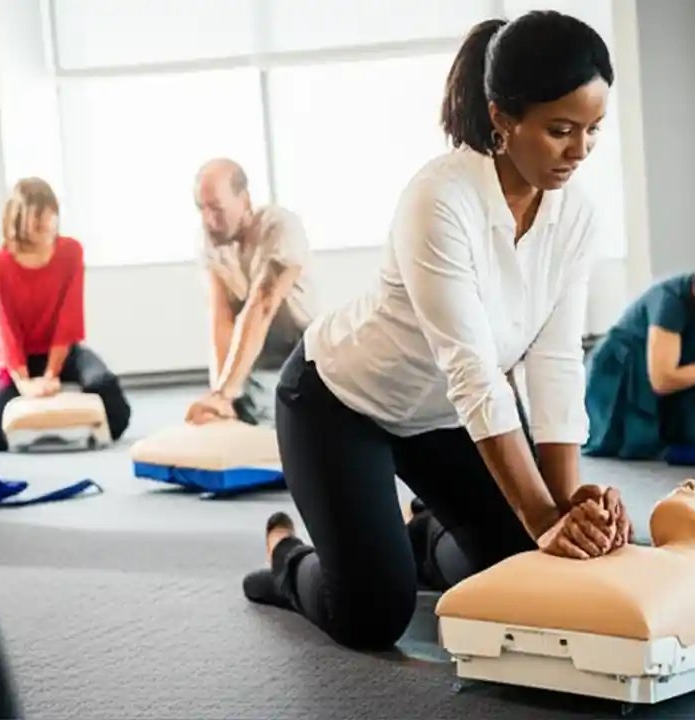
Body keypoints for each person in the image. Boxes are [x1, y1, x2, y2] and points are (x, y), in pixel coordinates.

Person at [240, 11, 632, 652]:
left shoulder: (576, 214)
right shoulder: (439, 197)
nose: (580, 151)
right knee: (371, 615)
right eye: (561, 130)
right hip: (341, 405)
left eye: (593, 130)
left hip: (446, 419)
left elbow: (557, 361)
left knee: (526, 572)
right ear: (504, 118)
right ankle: (289, 559)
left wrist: (568, 508)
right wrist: (540, 518)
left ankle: (420, 536)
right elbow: (473, 370)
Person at [0, 177, 131, 449]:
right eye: (36, 215)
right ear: (18, 216)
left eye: (50, 213)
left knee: (106, 389)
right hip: (17, 359)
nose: (45, 221)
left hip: (63, 352)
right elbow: (7, 327)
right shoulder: (0, 262)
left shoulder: (71, 251)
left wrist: (51, 374)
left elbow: (69, 319)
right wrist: (24, 383)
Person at [583, 259, 695, 459]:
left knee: (692, 439)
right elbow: (663, 381)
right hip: (626, 367)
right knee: (640, 445)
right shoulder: (669, 301)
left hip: (676, 364)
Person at [185, 159, 317, 427]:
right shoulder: (209, 240)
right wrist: (219, 396)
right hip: (255, 350)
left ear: (244, 200)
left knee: (279, 412)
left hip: (303, 347)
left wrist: (225, 393)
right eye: (202, 208)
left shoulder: (280, 226)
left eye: (217, 209)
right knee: (233, 409)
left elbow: (262, 305)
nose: (209, 220)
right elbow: (220, 316)